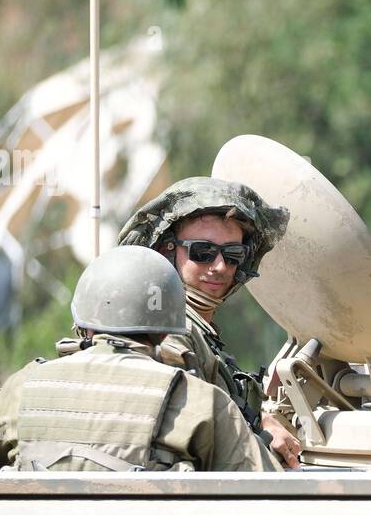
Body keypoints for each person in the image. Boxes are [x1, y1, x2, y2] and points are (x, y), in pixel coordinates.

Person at [0, 245, 281, 472]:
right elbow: (262, 488)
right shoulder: (201, 403)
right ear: (167, 331)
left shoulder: (26, 387)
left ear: (82, 324)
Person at [118, 177, 302, 468]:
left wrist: (259, 419)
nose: (219, 267)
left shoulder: (196, 330)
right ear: (167, 250)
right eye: (202, 252)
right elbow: (193, 432)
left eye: (232, 255)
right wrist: (261, 436)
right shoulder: (166, 333)